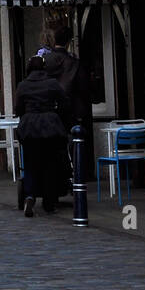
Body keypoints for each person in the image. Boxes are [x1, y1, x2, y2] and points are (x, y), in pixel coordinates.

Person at [14, 54, 69, 217]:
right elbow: (65, 102)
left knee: (30, 164)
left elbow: (19, 109)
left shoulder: (23, 85)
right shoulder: (52, 83)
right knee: (50, 165)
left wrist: (27, 116)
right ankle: (48, 203)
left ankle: (30, 195)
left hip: (30, 127)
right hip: (50, 127)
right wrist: (55, 114)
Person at [50, 24, 94, 177]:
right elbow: (83, 88)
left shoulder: (44, 61)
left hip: (48, 111)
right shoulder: (73, 63)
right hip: (70, 111)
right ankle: (75, 174)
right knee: (73, 143)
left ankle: (55, 173)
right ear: (69, 42)